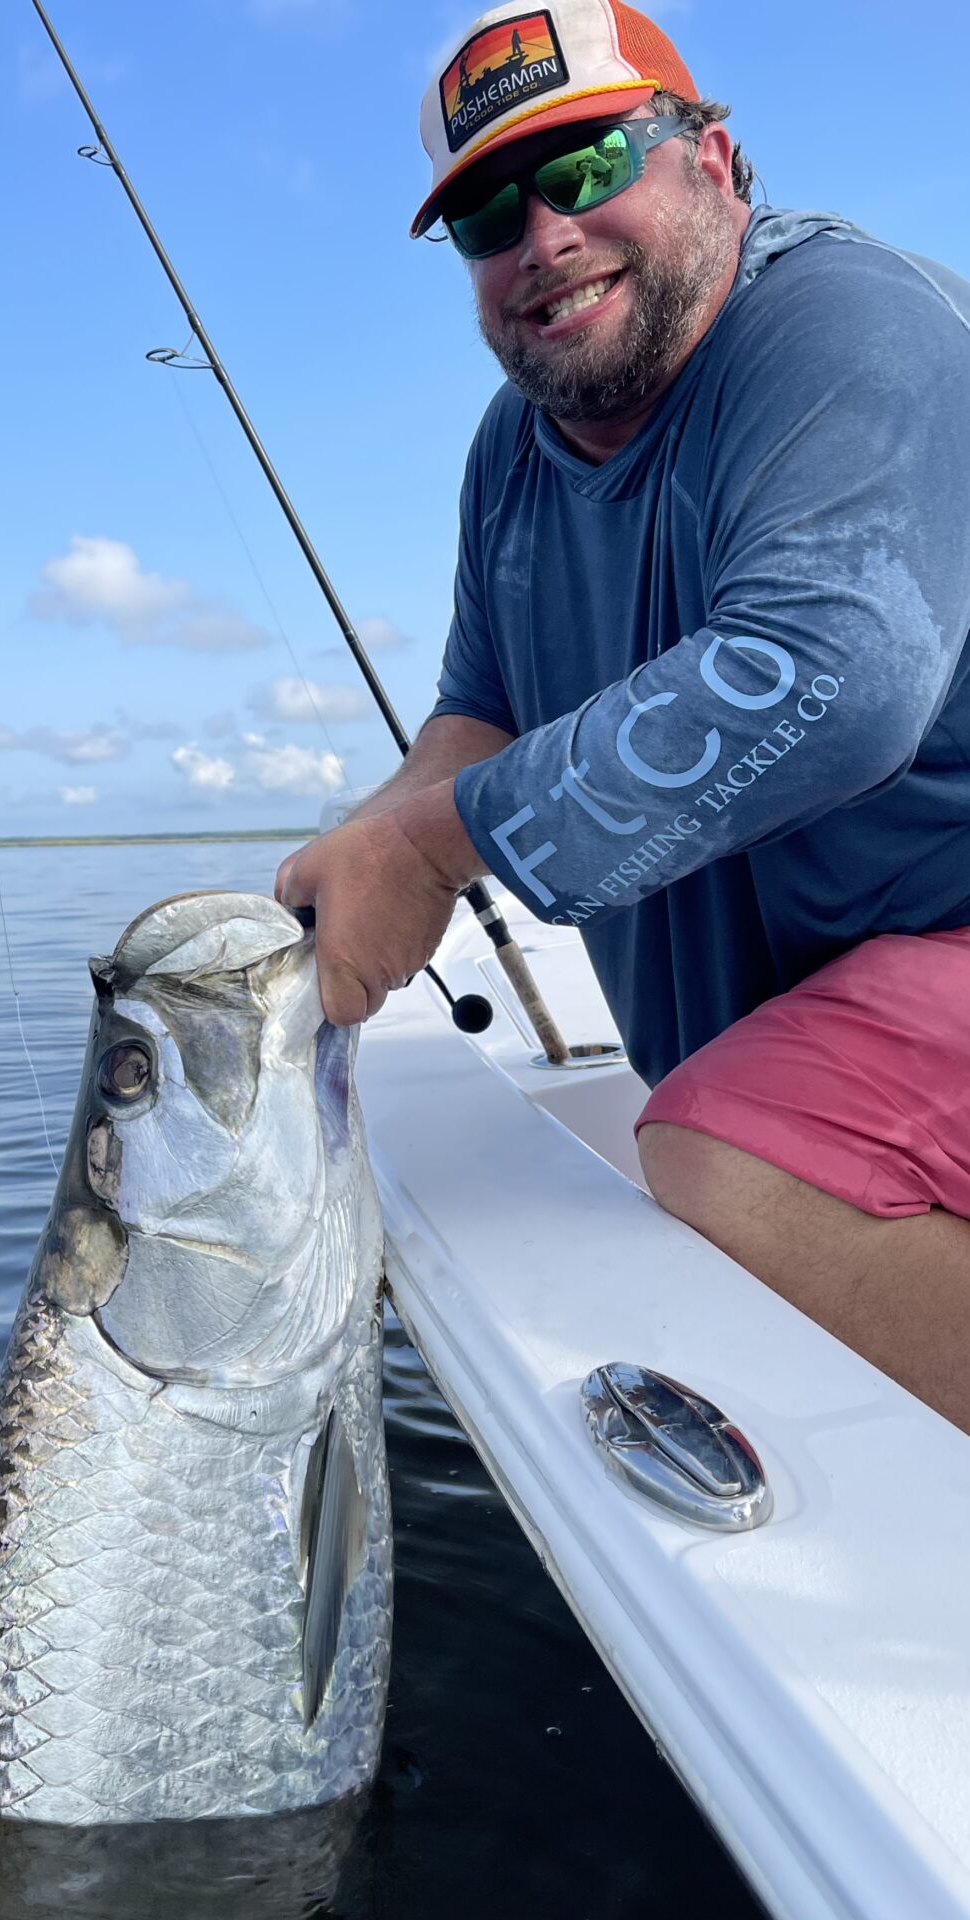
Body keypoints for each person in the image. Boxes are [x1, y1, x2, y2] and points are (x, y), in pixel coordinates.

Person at [276, 0, 970, 1431]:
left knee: (735, 1157)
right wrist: (354, 860)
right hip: (798, 1040)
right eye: (484, 212)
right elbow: (480, 709)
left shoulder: (851, 326)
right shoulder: (511, 455)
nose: (542, 235)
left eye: (588, 168)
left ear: (713, 159)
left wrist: (427, 856)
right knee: (720, 1135)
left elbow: (833, 674)